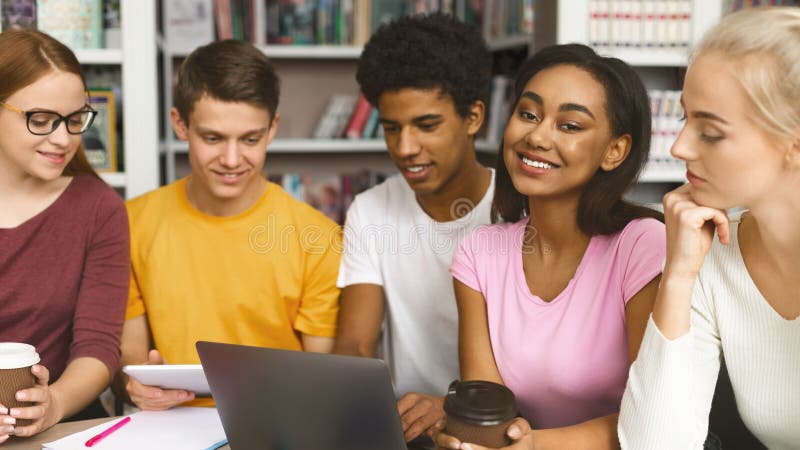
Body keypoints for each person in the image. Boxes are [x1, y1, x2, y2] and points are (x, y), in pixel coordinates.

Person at [436, 43, 666, 450]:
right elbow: (488, 410)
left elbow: (656, 414)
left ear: (615, 151)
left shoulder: (643, 245)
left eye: (569, 126)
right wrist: (471, 440)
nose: (537, 136)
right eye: (528, 114)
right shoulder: (479, 253)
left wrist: (533, 445)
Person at [119, 40, 342, 410]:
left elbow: (323, 381)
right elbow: (129, 366)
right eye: (213, 138)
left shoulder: (318, 239)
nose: (232, 159)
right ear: (180, 124)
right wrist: (132, 385)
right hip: (169, 429)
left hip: (280, 425)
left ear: (272, 129)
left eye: (250, 139)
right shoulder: (130, 225)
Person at [619, 7, 800, 449]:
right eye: (685, 118)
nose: (679, 147)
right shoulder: (712, 252)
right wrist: (678, 276)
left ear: (792, 144)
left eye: (711, 132)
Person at [332, 13, 494, 443]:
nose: (405, 149)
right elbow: (354, 349)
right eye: (391, 128)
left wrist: (455, 406)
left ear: (473, 117)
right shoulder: (370, 210)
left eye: (427, 125)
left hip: (498, 426)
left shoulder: (518, 207)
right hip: (407, 430)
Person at [0, 29, 129, 441]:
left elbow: (98, 346)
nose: (64, 139)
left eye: (75, 120)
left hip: (65, 430)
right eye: (40, 120)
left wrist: (53, 403)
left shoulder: (98, 208)